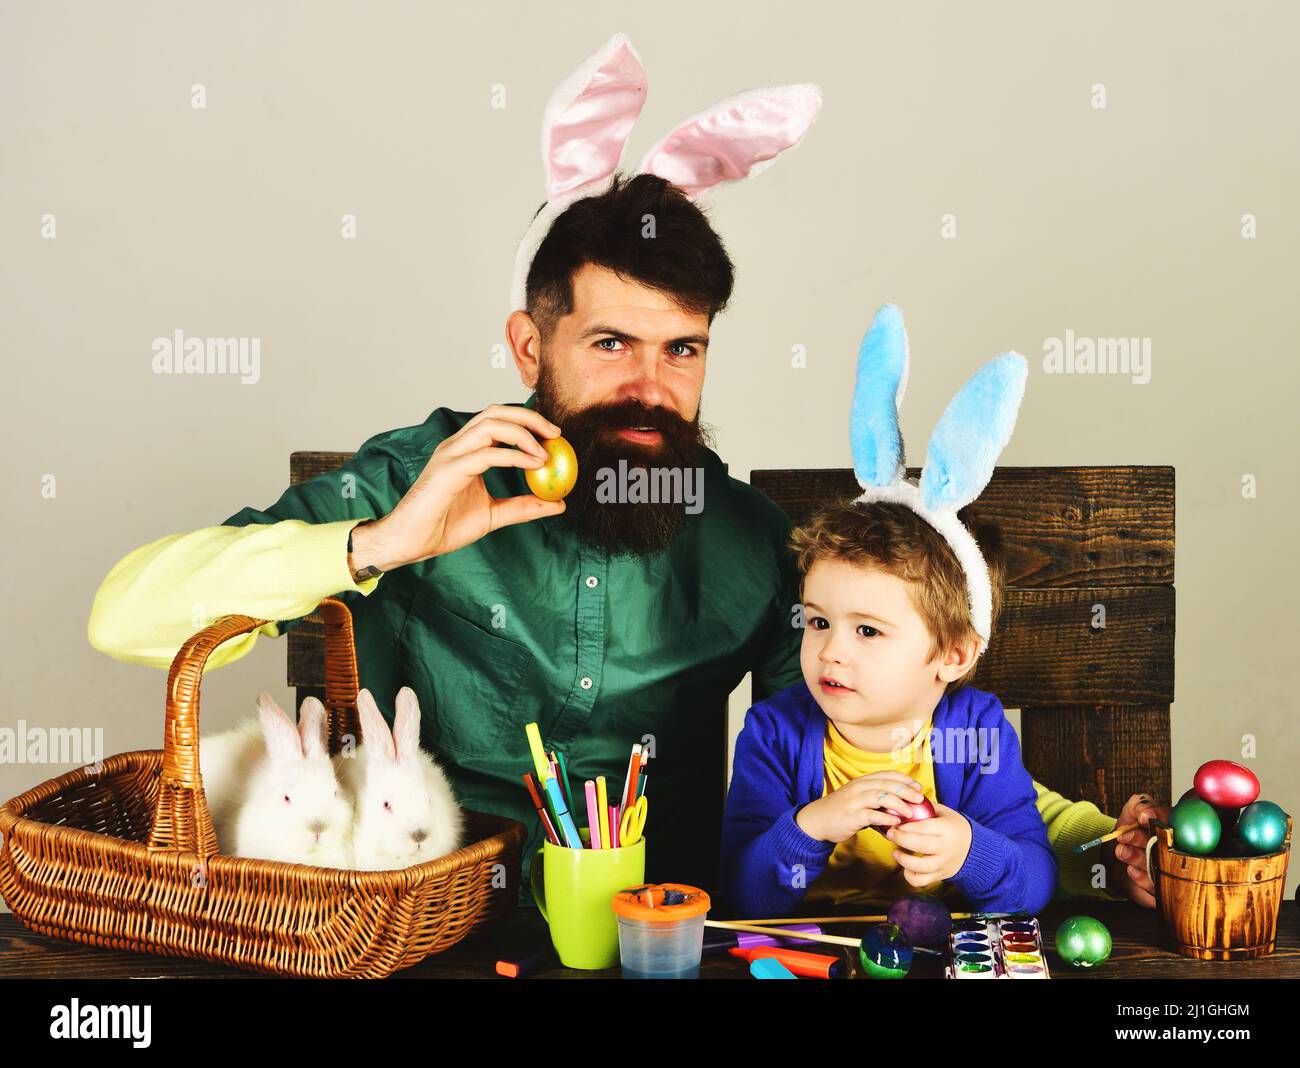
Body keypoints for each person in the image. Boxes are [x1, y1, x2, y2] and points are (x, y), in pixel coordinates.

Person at [86, 38, 1165, 907]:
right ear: (528, 348)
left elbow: (875, 734)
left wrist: (1088, 838)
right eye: (611, 346)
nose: (652, 389)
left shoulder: (743, 537)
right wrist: (382, 545)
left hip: (671, 928)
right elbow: (124, 616)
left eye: (682, 350)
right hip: (427, 925)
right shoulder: (419, 480)